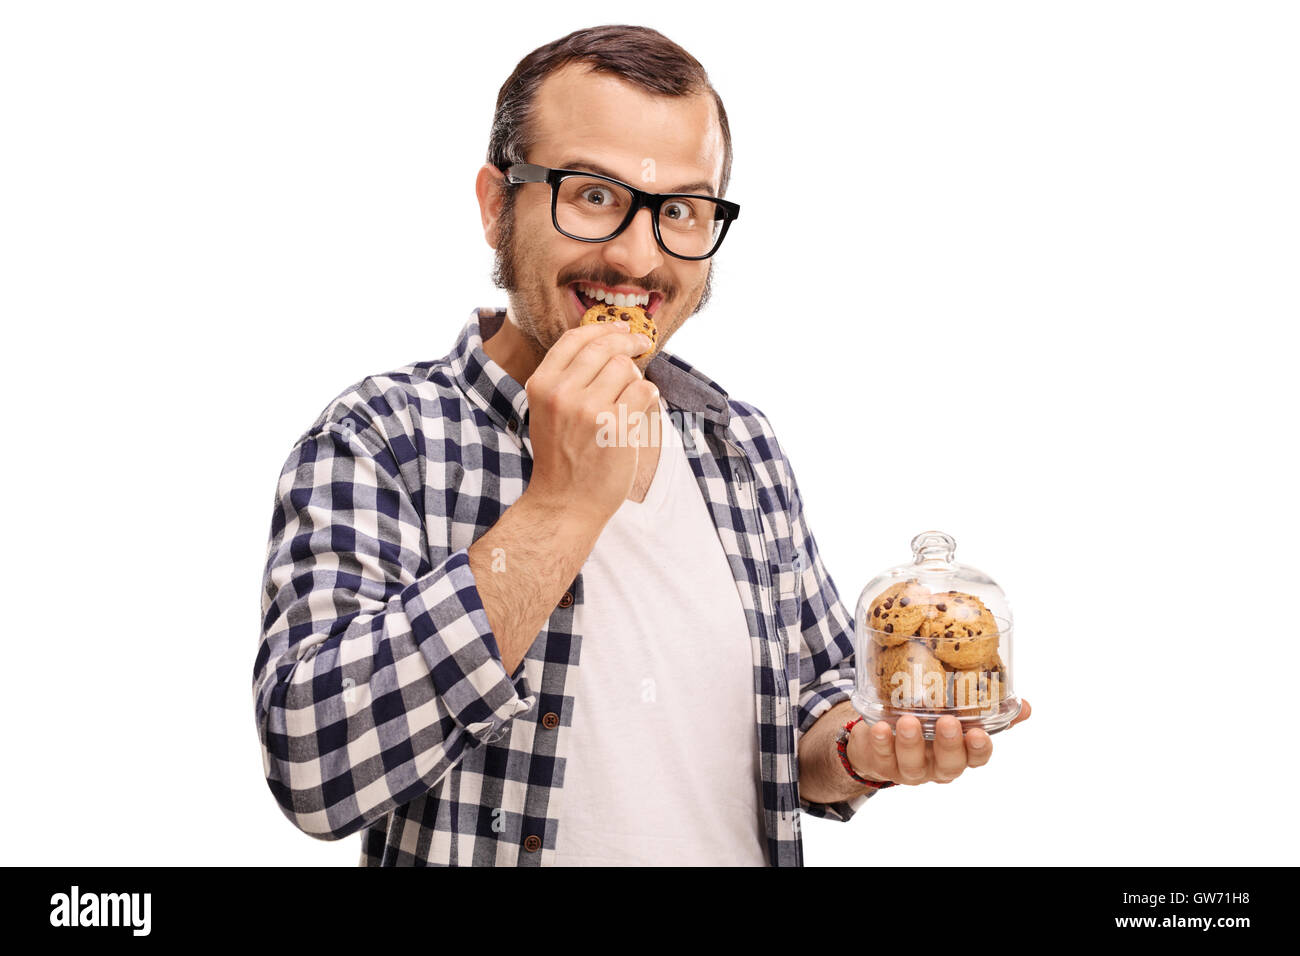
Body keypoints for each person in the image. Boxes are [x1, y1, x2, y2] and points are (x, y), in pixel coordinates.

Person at [252, 23, 1031, 867]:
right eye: (591, 194)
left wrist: (858, 752)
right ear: (495, 204)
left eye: (683, 210)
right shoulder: (381, 438)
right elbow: (314, 769)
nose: (636, 256)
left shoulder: (742, 445)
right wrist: (561, 508)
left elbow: (808, 707)